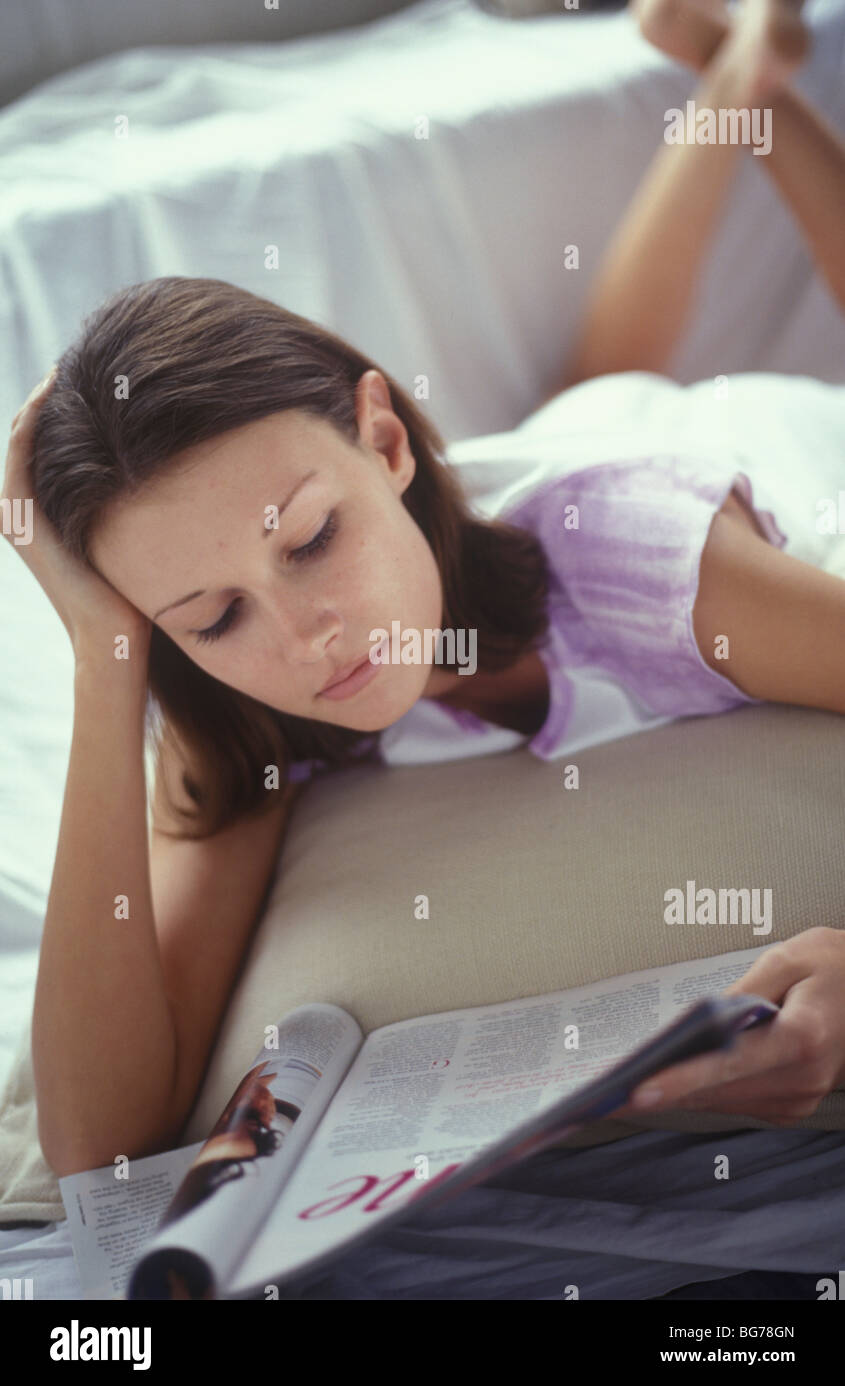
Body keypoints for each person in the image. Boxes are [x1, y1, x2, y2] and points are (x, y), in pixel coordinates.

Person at [2, 0, 845, 1240]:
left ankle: (752, 78)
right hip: (547, 460)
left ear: (385, 438)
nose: (308, 639)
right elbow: (97, 1153)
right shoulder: (234, 703)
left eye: (311, 540)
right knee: (584, 388)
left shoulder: (652, 564)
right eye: (213, 611)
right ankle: (726, 68)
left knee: (616, 396)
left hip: (722, 445)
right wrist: (105, 656)